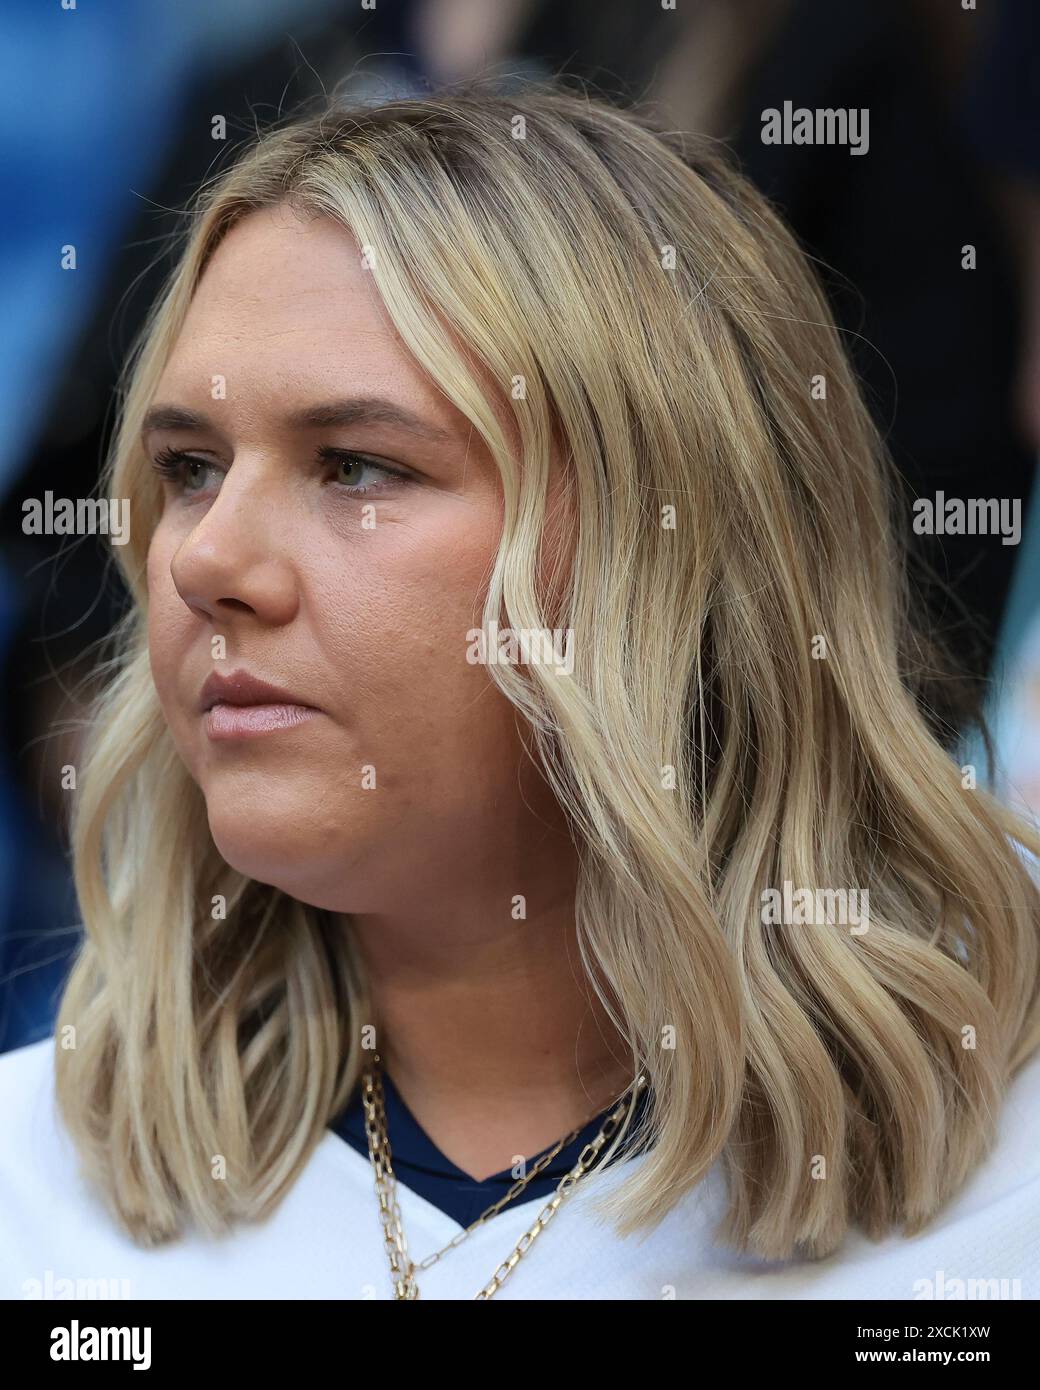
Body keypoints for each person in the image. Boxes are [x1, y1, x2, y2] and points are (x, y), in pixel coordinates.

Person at [1, 81, 1039, 1302]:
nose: (205, 560)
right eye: (188, 468)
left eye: (356, 465)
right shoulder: (37, 1193)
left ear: (673, 543)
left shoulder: (999, 1188)